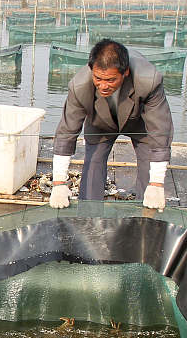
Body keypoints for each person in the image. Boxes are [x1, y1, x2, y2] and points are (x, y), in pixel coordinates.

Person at [48, 39, 173, 211]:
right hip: (100, 122)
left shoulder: (149, 81)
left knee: (149, 169)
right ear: (91, 70)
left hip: (139, 121)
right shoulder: (79, 86)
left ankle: (147, 217)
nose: (103, 86)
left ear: (125, 72)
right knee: (93, 165)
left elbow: (160, 131)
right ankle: (89, 216)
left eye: (110, 80)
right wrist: (59, 183)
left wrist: (157, 183)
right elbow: (66, 133)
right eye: (98, 78)